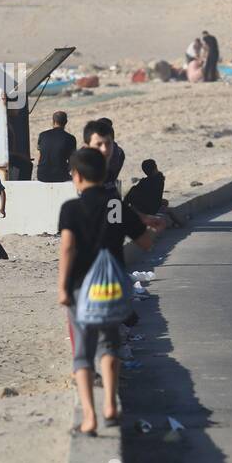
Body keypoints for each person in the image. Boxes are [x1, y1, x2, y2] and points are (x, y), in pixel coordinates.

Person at [58, 147, 155, 436]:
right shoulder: (117, 206)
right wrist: (154, 225)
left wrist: (63, 287)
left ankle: (90, 417)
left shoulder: (71, 209)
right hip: (111, 288)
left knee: (83, 354)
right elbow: (146, 243)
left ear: (76, 176)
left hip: (79, 288)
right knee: (110, 345)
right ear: (104, 174)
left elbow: (67, 248)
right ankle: (111, 405)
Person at [124, 159, 185, 228]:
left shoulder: (143, 182)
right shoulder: (159, 180)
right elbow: (155, 196)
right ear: (155, 168)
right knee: (167, 206)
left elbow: (131, 197)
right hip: (153, 207)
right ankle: (181, 223)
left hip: (146, 207)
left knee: (132, 200)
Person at [36, 110, 76, 182]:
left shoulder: (42, 135)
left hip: (42, 175)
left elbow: (39, 158)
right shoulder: (71, 138)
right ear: (66, 122)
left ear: (53, 121)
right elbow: (72, 161)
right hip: (61, 176)